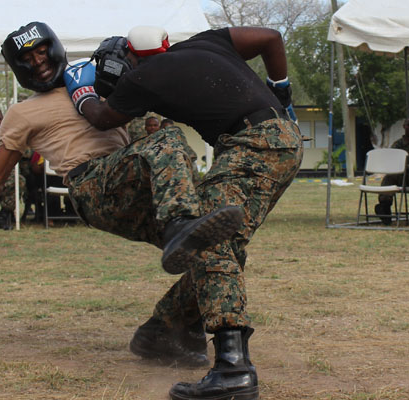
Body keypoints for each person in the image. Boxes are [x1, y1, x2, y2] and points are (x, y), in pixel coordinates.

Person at [0, 22, 259, 400]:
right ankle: (180, 223)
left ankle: (182, 337)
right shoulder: (21, 114)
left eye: (42, 52)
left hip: (141, 183)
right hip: (93, 185)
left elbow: (158, 96)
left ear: (55, 49)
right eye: (27, 58)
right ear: (18, 68)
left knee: (217, 245)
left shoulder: (98, 81)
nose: (38, 62)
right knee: (168, 145)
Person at [64, 25, 302, 400]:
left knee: (211, 245)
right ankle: (169, 329)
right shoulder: (208, 41)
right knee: (221, 242)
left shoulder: (142, 76)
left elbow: (102, 118)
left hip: (250, 143)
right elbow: (270, 37)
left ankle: (233, 370)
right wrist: (281, 88)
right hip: (282, 137)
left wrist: (81, 91)